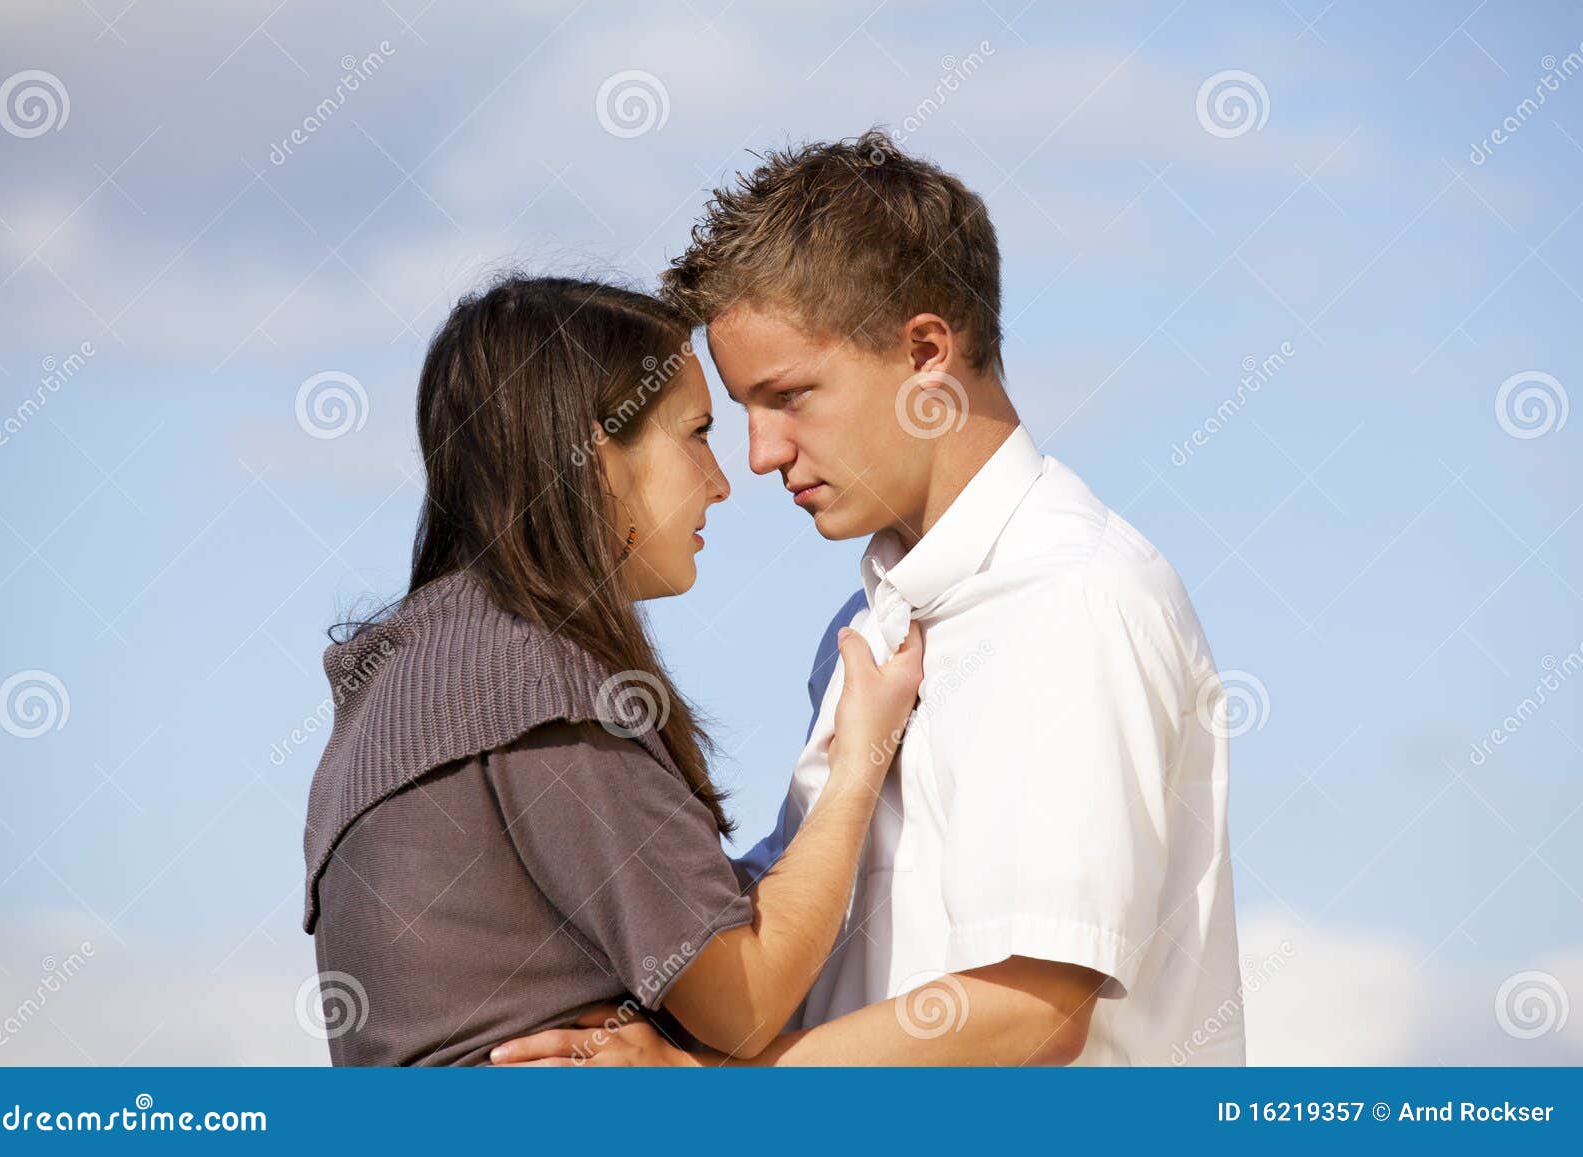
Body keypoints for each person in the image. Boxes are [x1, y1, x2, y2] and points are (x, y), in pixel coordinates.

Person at [491, 131, 1245, 1066]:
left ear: (927, 350)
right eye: (741, 410)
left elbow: (1034, 1011)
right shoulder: (868, 625)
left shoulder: (1073, 598)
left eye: (791, 395)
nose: (760, 454)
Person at [301, 274, 924, 1065]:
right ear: (597, 454)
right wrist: (859, 757)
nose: (723, 479)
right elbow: (745, 999)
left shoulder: (407, 676)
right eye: (696, 433)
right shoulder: (530, 684)